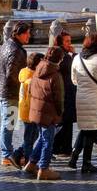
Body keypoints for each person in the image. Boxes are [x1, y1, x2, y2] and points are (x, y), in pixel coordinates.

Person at [69, 34, 97, 173]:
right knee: (92, 131)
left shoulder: (77, 58)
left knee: (86, 128)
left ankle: (74, 157)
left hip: (81, 98)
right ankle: (86, 163)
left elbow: (74, 79)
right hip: (96, 99)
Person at [24, 46, 66, 180]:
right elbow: (59, 98)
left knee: (42, 138)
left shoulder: (38, 69)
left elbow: (31, 89)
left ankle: (31, 163)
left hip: (36, 111)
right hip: (49, 114)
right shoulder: (55, 75)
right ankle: (44, 169)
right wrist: (60, 113)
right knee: (48, 141)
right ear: (59, 59)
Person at [0, 22, 31, 168]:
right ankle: (6, 155)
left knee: (9, 123)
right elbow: (11, 75)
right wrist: (22, 84)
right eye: (27, 33)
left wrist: (1, 78)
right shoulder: (16, 51)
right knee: (9, 125)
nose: (29, 36)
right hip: (10, 93)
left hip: (3, 90)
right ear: (19, 34)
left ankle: (7, 153)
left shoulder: (6, 44)